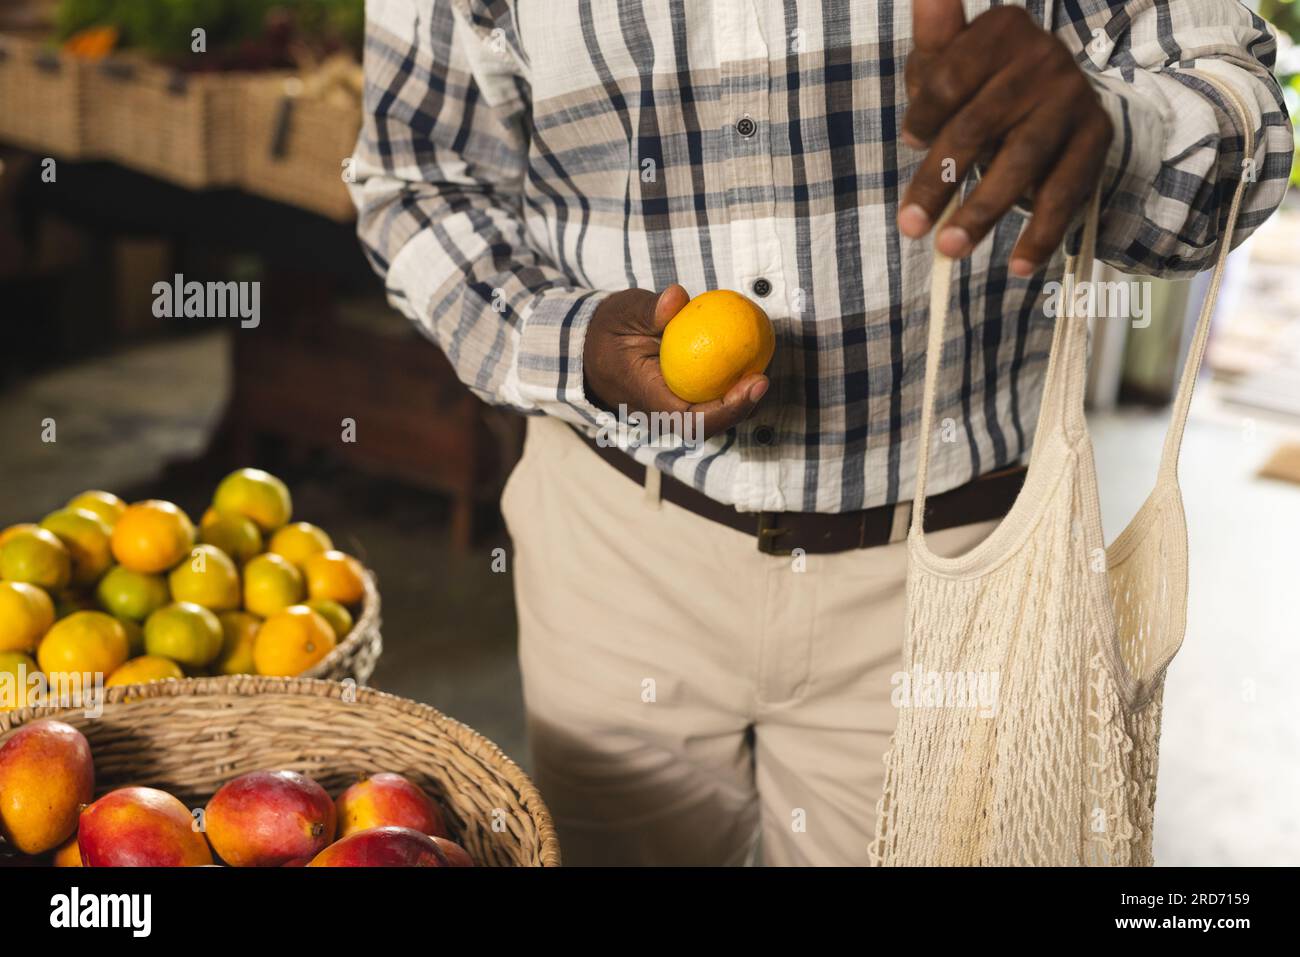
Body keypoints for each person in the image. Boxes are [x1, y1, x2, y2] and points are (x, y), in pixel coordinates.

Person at [351, 0, 1292, 865]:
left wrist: (1114, 132)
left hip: (955, 578)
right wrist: (565, 343)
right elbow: (415, 178)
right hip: (614, 550)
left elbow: (1248, 111)